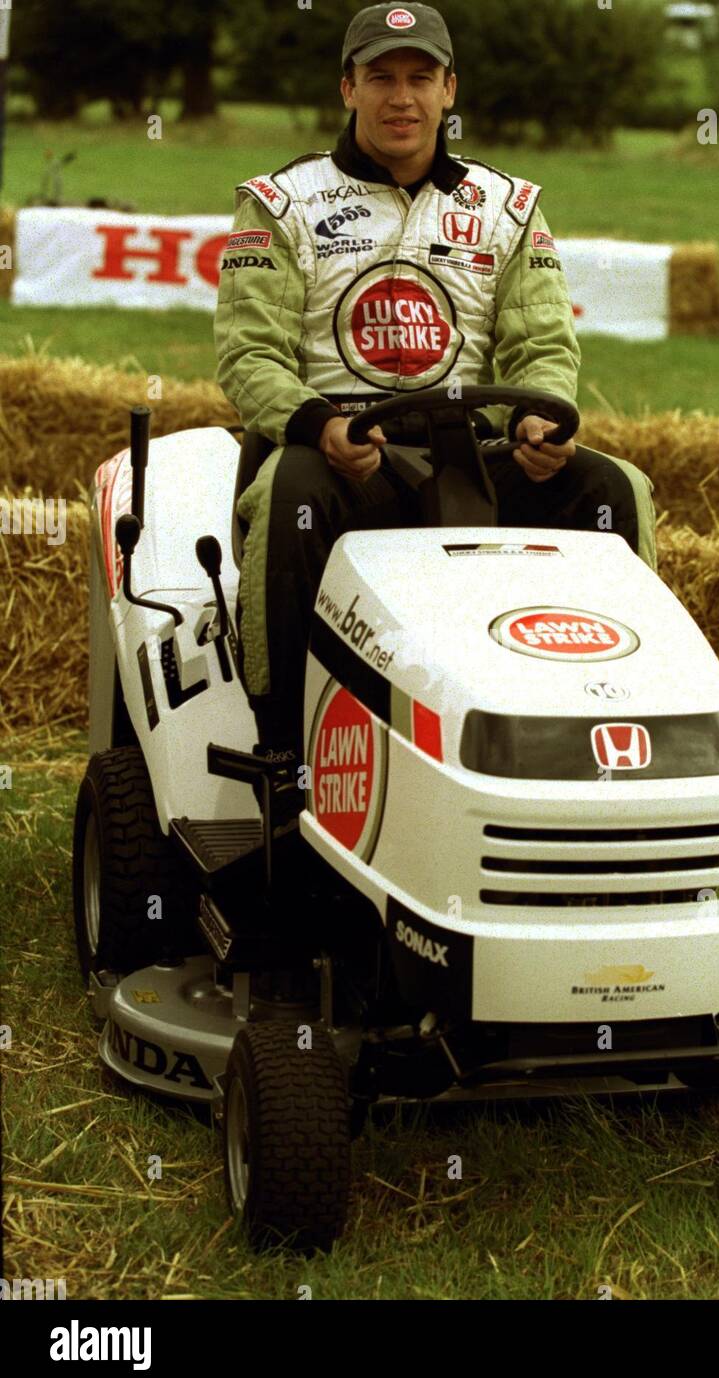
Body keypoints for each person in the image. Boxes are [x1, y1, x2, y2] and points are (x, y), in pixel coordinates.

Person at [213, 2, 657, 793]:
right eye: (380, 77)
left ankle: (620, 726)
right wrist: (319, 425)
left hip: (473, 463)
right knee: (289, 486)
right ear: (347, 88)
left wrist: (539, 416)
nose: (401, 98)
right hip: (342, 461)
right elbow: (250, 355)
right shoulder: (280, 203)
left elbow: (543, 345)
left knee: (615, 485)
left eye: (420, 77)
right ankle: (283, 750)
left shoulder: (508, 207)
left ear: (451, 90)